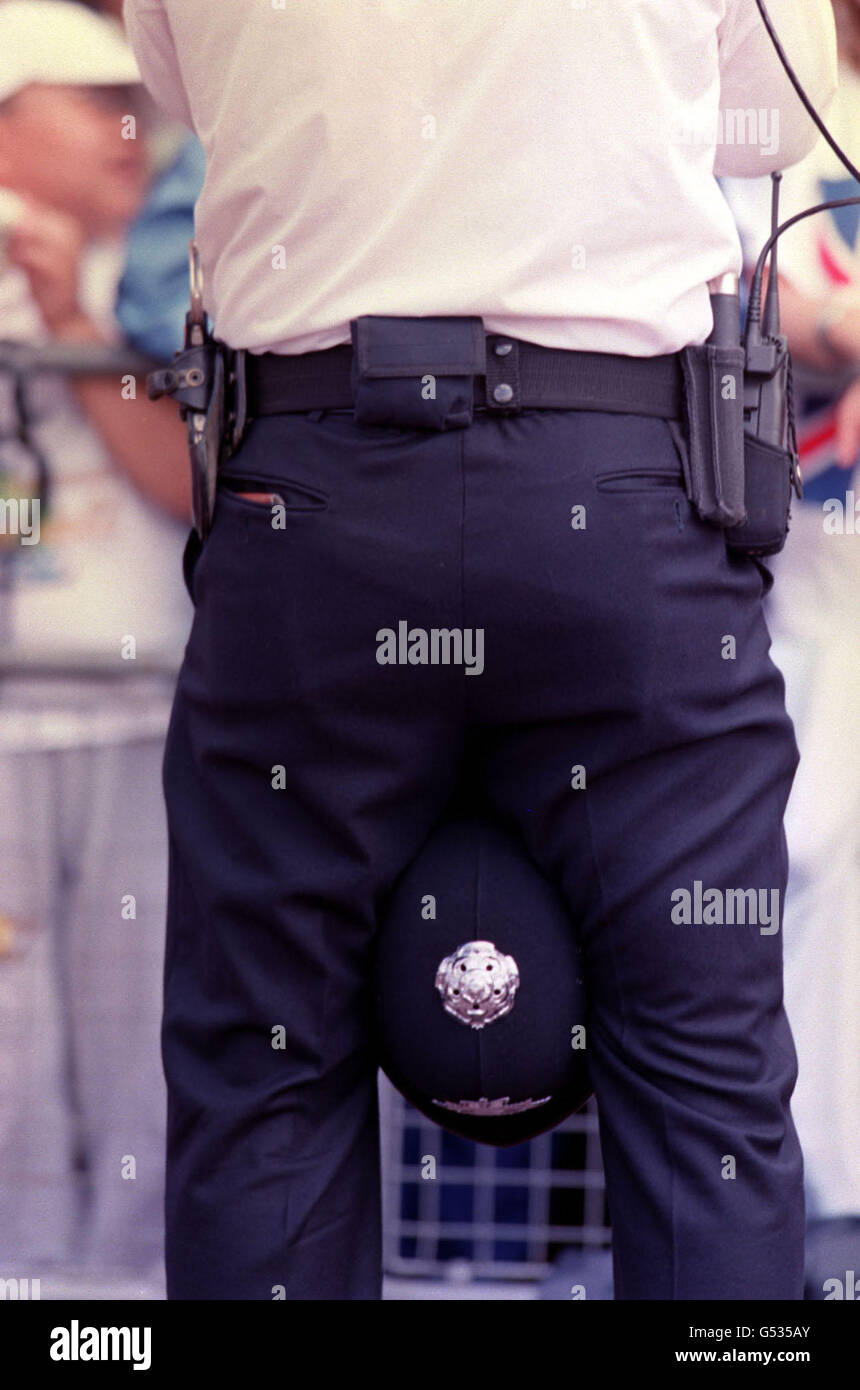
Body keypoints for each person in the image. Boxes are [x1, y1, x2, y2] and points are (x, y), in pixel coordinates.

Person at [124, 0, 838, 1300]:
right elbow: (778, 114)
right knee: (706, 1083)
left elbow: (179, 83)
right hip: (617, 482)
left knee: (265, 1074)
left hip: (311, 492)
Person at [0, 0, 191, 1293]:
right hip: (15, 720)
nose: (132, 131)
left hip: (152, 705)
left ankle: (126, 1296)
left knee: (144, 1038)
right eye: (94, 103)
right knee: (11, 1029)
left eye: (141, 103)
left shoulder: (178, 261)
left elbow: (189, 486)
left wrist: (80, 328)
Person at [722, 0, 860, 1298]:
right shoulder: (781, 97)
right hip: (808, 549)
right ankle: (826, 1207)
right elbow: (743, 285)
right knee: (806, 842)